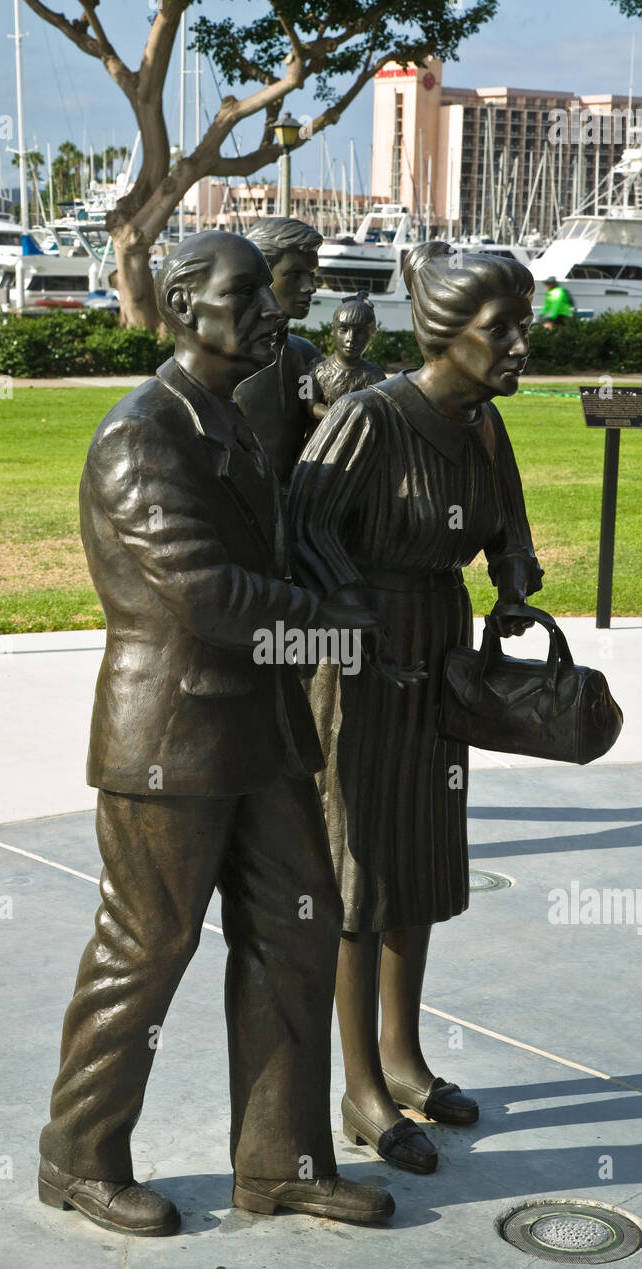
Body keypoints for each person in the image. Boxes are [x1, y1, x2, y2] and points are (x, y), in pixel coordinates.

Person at [38, 230, 394, 1234]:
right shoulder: (141, 433)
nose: (272, 310)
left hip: (263, 734)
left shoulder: (229, 423)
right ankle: (77, 1154)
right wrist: (326, 622)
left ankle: (280, 1160)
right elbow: (201, 591)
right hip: (172, 742)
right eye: (245, 296)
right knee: (147, 947)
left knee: (297, 928)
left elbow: (269, 561)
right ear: (184, 306)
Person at [289, 245, 544, 1174]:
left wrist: (513, 580)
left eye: (524, 328)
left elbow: (506, 526)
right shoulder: (367, 417)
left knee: (423, 860)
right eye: (500, 332)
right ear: (445, 333)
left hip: (438, 647)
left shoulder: (480, 424)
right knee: (360, 869)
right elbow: (303, 534)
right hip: (361, 662)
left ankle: (402, 1060)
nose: (519, 346)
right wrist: (356, 639)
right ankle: (356, 1086)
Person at [234, 216, 323, 490]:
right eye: (295, 275)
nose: (310, 287)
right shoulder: (227, 362)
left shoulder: (306, 355)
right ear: (260, 278)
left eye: (312, 274)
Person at [308, 291, 385, 420]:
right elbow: (309, 404)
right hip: (320, 438)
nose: (351, 338)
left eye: (360, 331)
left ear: (372, 334)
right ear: (333, 330)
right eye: (344, 329)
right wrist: (344, 417)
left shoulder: (376, 378)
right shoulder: (314, 369)